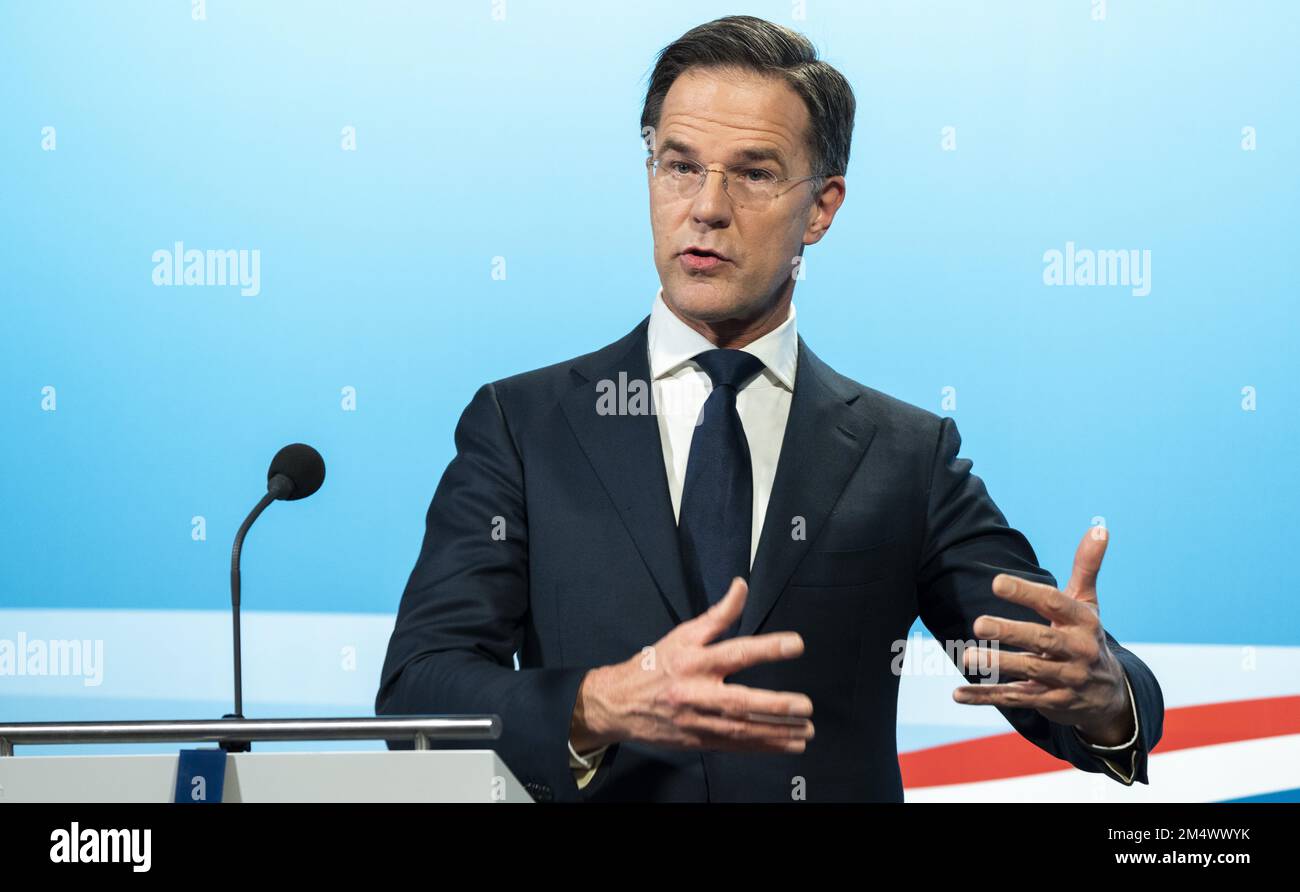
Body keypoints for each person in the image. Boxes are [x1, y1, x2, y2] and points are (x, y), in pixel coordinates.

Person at [376, 15, 1163, 802]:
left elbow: (1037, 664)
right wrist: (600, 703)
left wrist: (1103, 695)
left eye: (752, 174)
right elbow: (420, 692)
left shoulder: (905, 455)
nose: (706, 207)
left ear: (821, 208)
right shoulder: (523, 427)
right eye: (679, 166)